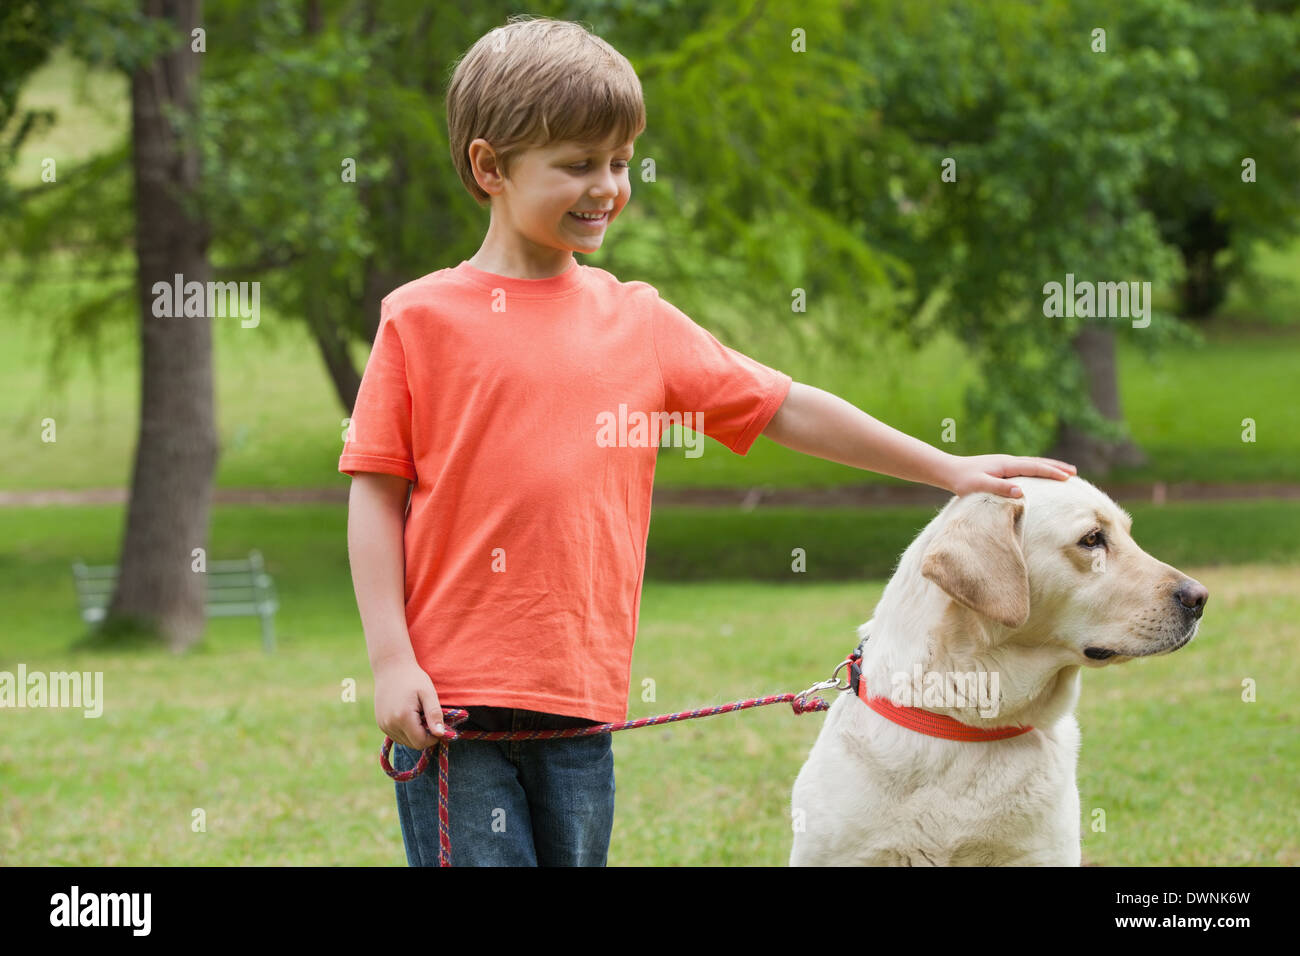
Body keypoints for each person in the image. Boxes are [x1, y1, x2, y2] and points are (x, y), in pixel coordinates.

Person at [339, 15, 1076, 867]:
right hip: (453, 712)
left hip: (581, 706)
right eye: (577, 164)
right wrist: (392, 661)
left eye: (619, 162)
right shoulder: (421, 319)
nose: (606, 186)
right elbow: (375, 493)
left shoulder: (638, 322)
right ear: (488, 167)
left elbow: (788, 407)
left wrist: (947, 467)